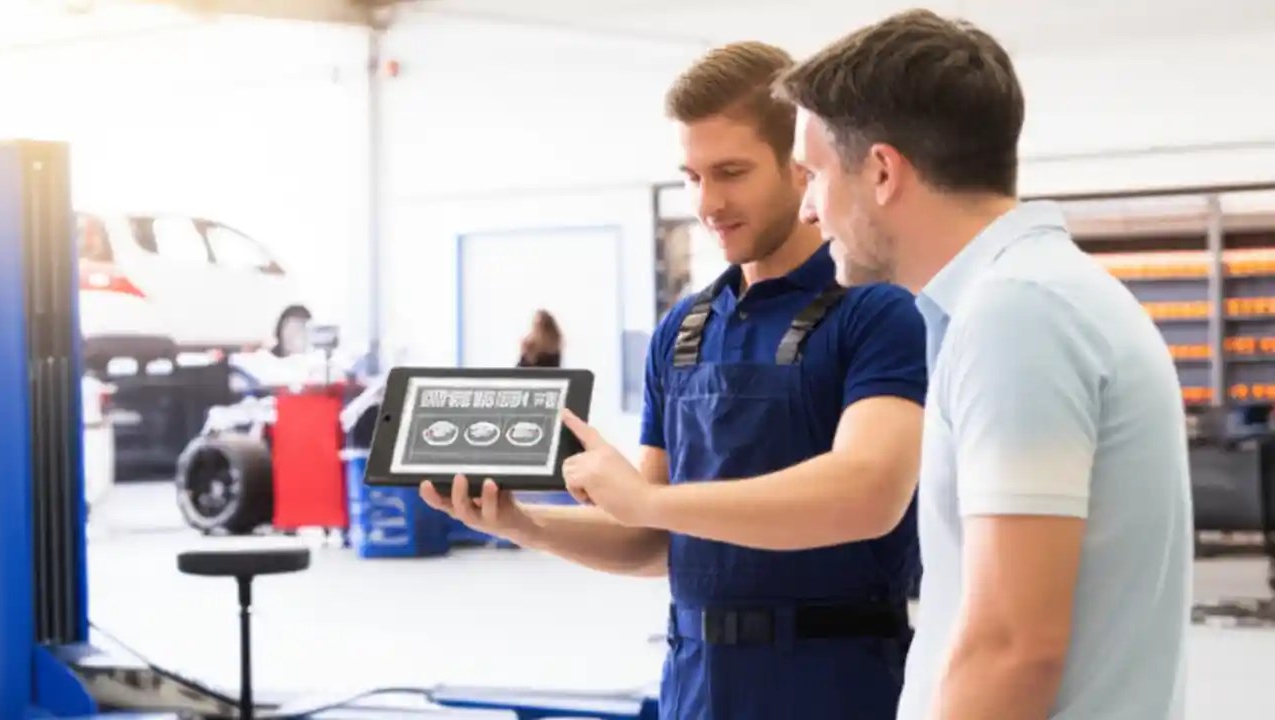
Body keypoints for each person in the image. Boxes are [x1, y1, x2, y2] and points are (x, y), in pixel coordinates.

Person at [421, 41, 929, 719]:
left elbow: (867, 493)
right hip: (694, 685)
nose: (707, 203)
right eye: (691, 176)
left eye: (730, 172)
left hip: (837, 687)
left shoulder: (877, 314)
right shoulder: (682, 333)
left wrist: (646, 502)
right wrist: (522, 524)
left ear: (800, 168)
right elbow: (648, 540)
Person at [775, 9, 1192, 720]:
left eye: (814, 174)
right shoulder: (1030, 297)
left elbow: (1012, 645)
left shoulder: (1018, 313)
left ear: (882, 171)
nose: (809, 208)